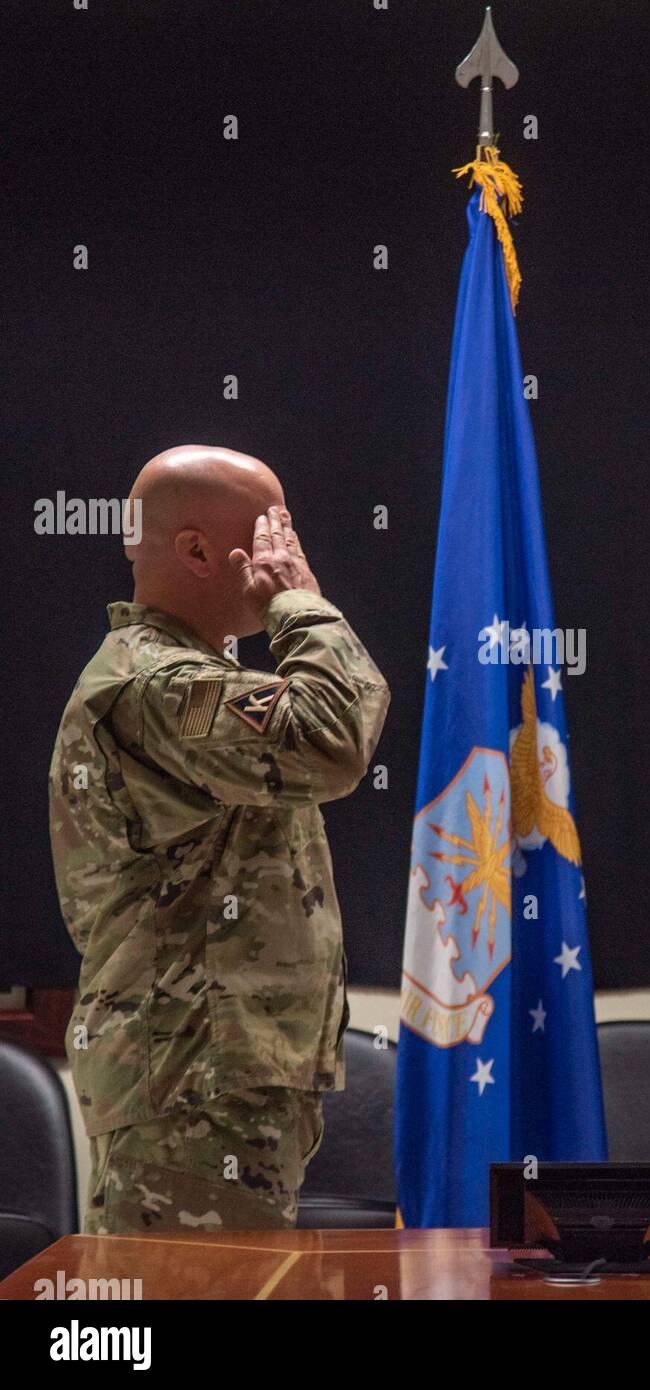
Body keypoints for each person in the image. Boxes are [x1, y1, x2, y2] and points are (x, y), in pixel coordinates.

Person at [49, 445, 390, 1232]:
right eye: (269, 531)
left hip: (221, 1076)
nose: (287, 554)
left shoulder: (187, 674)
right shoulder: (153, 686)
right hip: (190, 1083)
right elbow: (332, 738)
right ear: (197, 549)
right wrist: (301, 606)